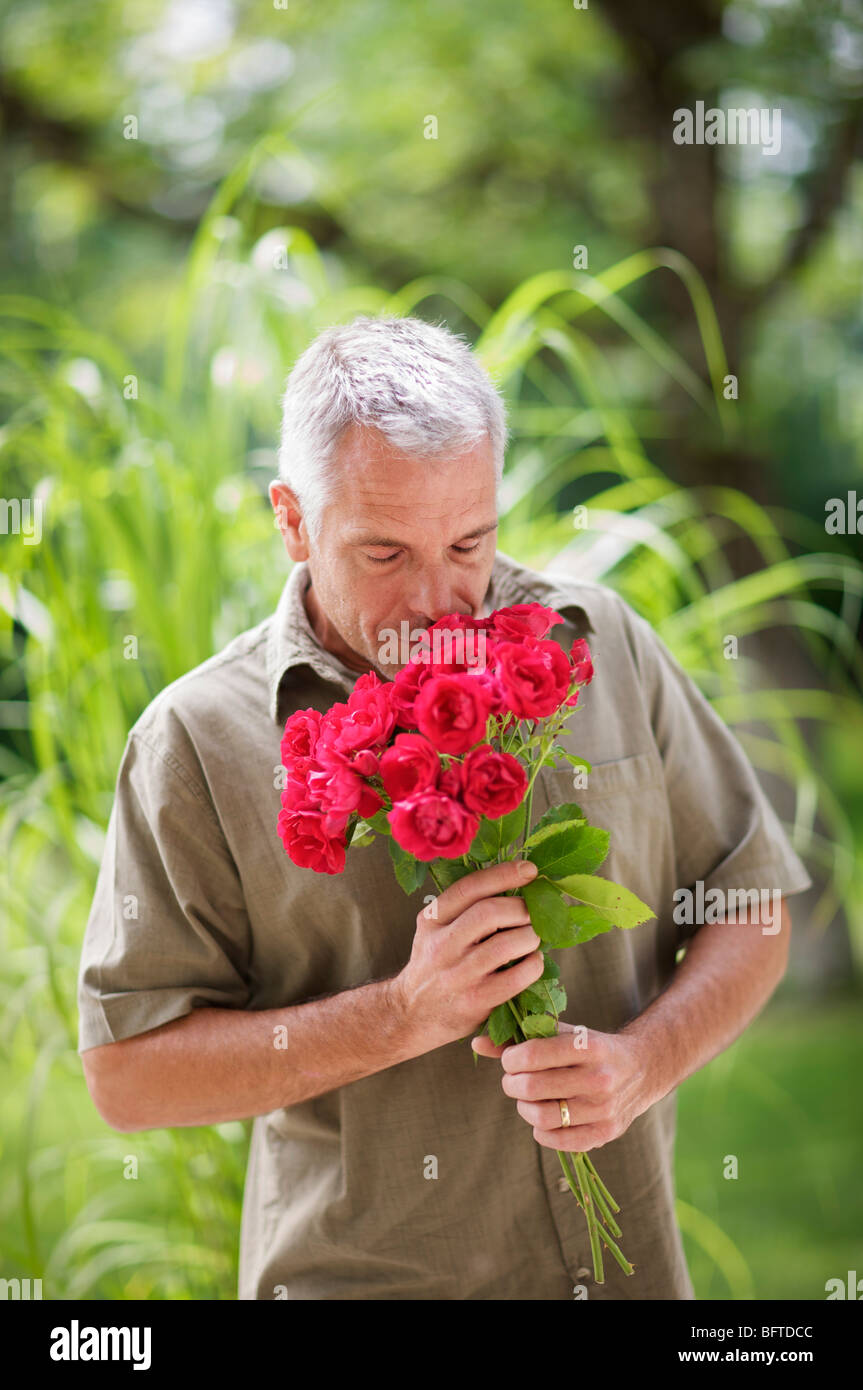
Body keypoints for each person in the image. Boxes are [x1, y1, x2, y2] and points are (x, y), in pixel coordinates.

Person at [77, 314, 812, 1300]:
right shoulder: (197, 740)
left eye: (467, 541)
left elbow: (749, 898)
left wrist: (644, 1061)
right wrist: (398, 1014)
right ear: (291, 518)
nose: (437, 604)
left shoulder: (602, 645)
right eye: (384, 554)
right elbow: (128, 1076)